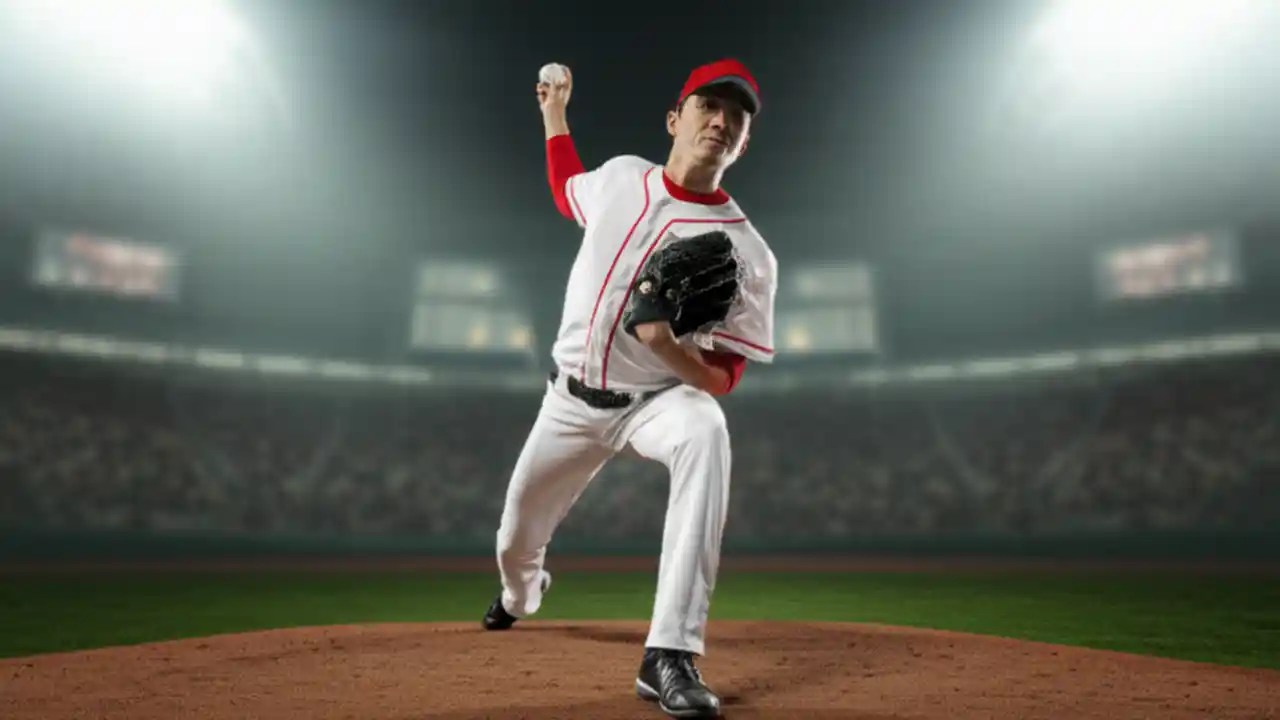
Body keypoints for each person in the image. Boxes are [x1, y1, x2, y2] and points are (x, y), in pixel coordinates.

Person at [482, 58, 777, 719]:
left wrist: (668, 350)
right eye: (708, 105)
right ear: (676, 119)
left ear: (744, 142)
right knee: (513, 540)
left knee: (705, 428)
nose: (722, 119)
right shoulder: (620, 178)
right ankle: (520, 596)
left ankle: (670, 653)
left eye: (738, 115)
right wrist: (554, 110)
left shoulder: (749, 254)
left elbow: (724, 377)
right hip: (569, 403)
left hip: (656, 402)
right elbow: (566, 191)